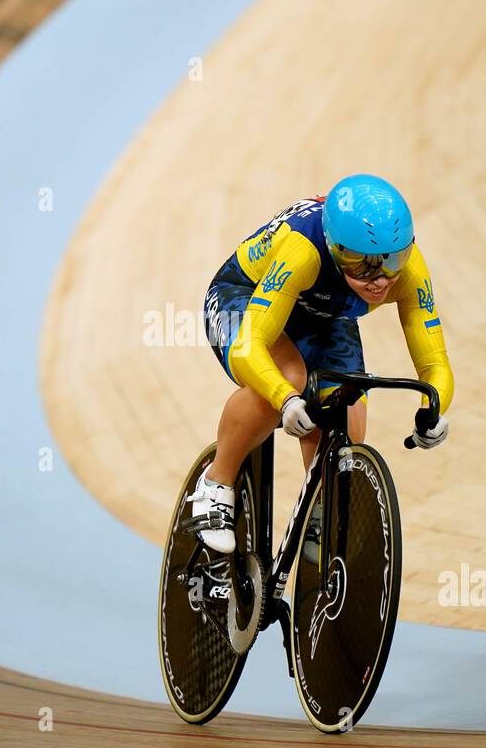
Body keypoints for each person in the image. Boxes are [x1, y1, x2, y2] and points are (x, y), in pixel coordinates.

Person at [191, 173, 455, 558]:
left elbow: (435, 363)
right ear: (333, 246)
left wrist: (434, 410)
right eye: (360, 264)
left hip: (323, 312)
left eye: (392, 261)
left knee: (345, 418)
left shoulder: (410, 271)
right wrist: (284, 398)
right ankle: (216, 483)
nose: (378, 278)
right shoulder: (303, 251)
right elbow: (251, 346)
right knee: (288, 378)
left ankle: (319, 516)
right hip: (245, 295)